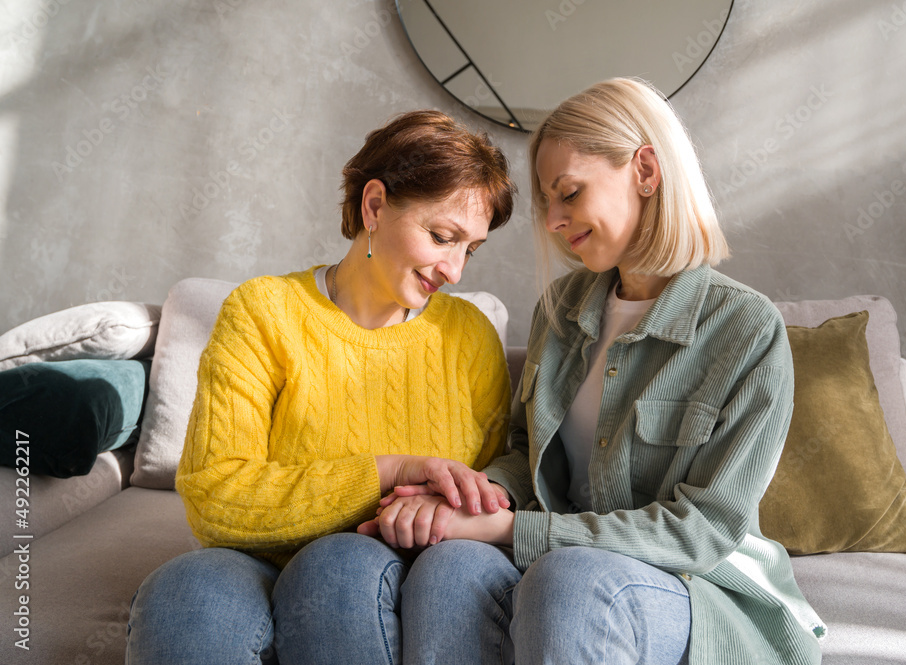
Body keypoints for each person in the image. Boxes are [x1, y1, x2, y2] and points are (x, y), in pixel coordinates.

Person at [367, 79, 827, 664]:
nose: (555, 220)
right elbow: (524, 453)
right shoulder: (560, 310)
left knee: (574, 580)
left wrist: (513, 531)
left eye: (570, 194)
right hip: (563, 563)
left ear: (645, 171)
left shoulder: (746, 328)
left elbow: (703, 532)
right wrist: (466, 499)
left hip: (697, 584)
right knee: (448, 566)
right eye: (548, 203)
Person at [125, 110, 517, 665]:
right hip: (258, 556)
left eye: (470, 249)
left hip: (407, 565)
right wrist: (390, 471)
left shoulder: (468, 336)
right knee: (184, 591)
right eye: (441, 237)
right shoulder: (263, 311)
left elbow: (487, 485)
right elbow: (214, 495)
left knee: (339, 568)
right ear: (374, 205)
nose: (453, 270)